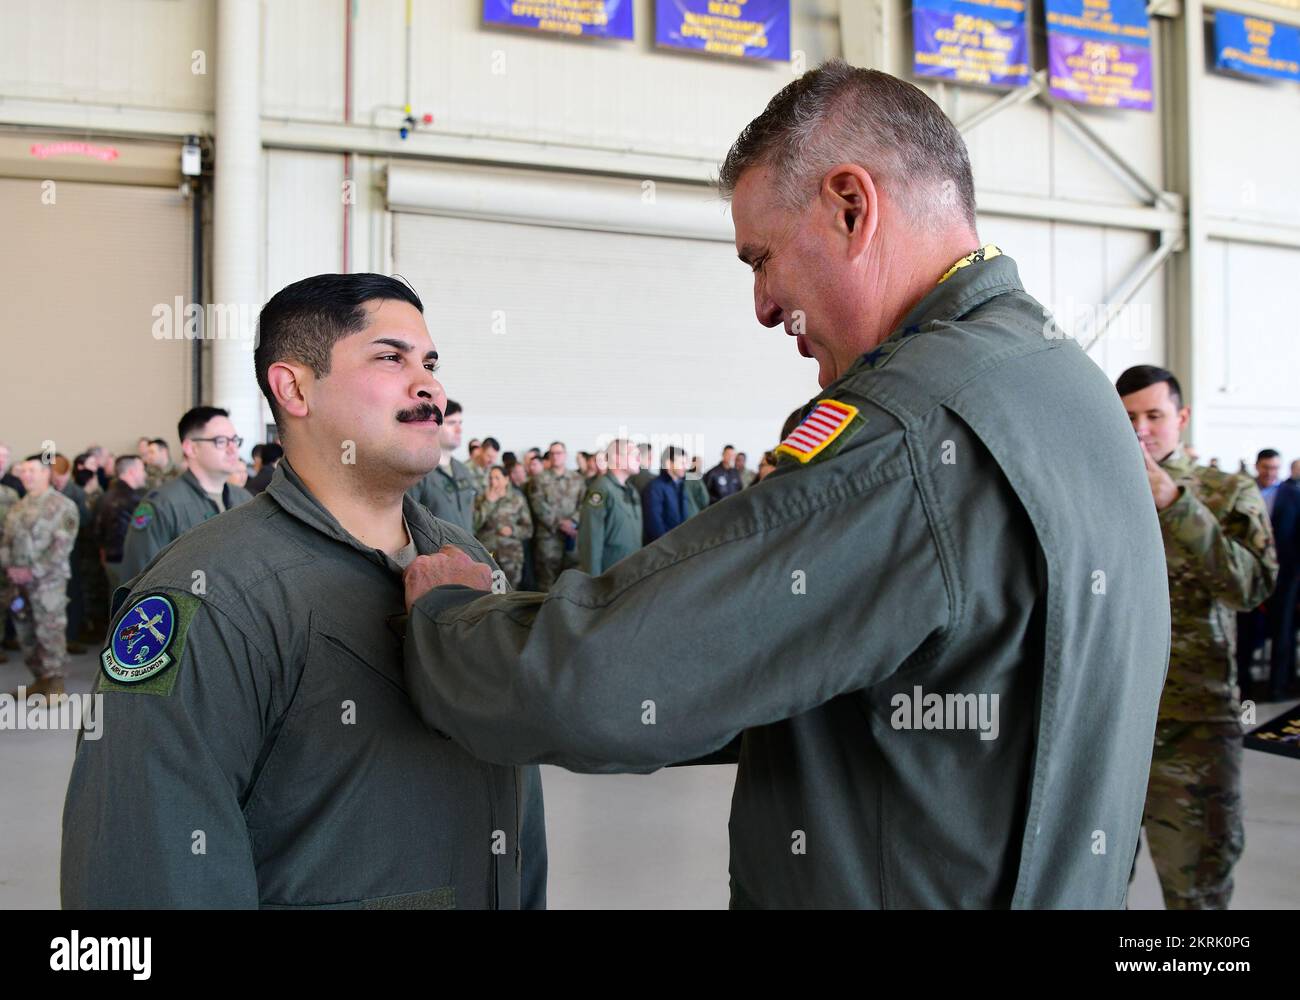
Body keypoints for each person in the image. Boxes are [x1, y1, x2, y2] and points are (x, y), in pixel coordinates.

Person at [399, 61, 1170, 909]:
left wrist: (451, 624)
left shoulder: (909, 430)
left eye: (762, 259)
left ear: (851, 207)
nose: (764, 306)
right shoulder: (1067, 387)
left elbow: (615, 682)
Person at [61, 272, 545, 909]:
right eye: (390, 358)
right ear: (293, 387)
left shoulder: (465, 563)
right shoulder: (207, 596)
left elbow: (517, 809)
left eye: (429, 362)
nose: (429, 384)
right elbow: (145, 864)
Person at [1116, 365, 1277, 909]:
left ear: (1180, 418)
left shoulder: (1225, 492)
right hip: (1108, 724)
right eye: (1128, 416)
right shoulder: (1095, 491)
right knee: (1090, 885)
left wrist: (1175, 504)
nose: (1140, 429)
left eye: (1154, 416)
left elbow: (1251, 586)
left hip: (1194, 727)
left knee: (1196, 893)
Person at [118, 408, 254, 582]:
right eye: (221, 441)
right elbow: (138, 578)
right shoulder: (161, 505)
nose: (233, 449)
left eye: (235, 440)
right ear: (191, 448)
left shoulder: (245, 500)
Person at [1, 455, 79, 702]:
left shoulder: (62, 506)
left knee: (50, 631)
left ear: (47, 473)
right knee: (26, 633)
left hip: (48, 583)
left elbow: (61, 547)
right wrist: (9, 567)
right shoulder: (18, 507)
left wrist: (32, 571)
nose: (26, 475)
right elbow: (6, 542)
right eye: (23, 471)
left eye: (32, 470)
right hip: (18, 584)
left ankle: (56, 685)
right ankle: (39, 680)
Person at [406, 400, 477, 533]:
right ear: (433, 425)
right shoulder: (419, 471)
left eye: (460, 423)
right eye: (451, 423)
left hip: (465, 550)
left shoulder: (463, 471)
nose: (459, 430)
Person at [576, 439, 642, 576]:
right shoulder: (601, 490)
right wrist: (593, 580)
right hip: (610, 574)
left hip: (630, 571)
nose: (638, 458)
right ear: (617, 458)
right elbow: (591, 539)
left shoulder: (631, 490)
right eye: (633, 454)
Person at [526, 441, 584, 591]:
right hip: (548, 539)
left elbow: (584, 504)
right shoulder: (539, 479)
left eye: (559, 453)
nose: (556, 456)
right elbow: (538, 505)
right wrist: (560, 523)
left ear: (565, 456)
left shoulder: (577, 479)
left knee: (572, 580)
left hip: (572, 537)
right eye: (552, 453)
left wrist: (573, 522)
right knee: (547, 582)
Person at [94, 455, 148, 598]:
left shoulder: (103, 497)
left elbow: (98, 533)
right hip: (129, 564)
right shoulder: (135, 500)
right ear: (131, 472)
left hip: (110, 562)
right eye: (142, 469)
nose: (145, 474)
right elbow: (141, 538)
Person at [474, 466, 534, 589]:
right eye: (490, 478)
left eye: (497, 478)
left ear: (506, 479)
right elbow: (474, 524)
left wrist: (512, 530)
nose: (493, 482)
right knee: (491, 593)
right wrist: (488, 502)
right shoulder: (482, 498)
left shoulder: (517, 499)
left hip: (510, 557)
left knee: (508, 594)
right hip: (488, 555)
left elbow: (528, 529)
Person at [642, 445, 691, 543]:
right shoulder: (654, 488)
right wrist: (668, 545)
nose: (686, 467)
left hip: (681, 543)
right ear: (668, 463)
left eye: (686, 463)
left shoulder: (681, 485)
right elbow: (654, 525)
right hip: (665, 548)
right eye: (682, 463)